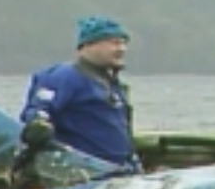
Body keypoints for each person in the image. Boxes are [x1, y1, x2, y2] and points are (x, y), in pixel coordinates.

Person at [17, 15, 141, 172]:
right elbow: (37, 113)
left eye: (124, 43)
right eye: (114, 43)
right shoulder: (64, 76)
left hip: (118, 170)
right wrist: (37, 124)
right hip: (86, 173)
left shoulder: (113, 85)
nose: (122, 49)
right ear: (88, 45)